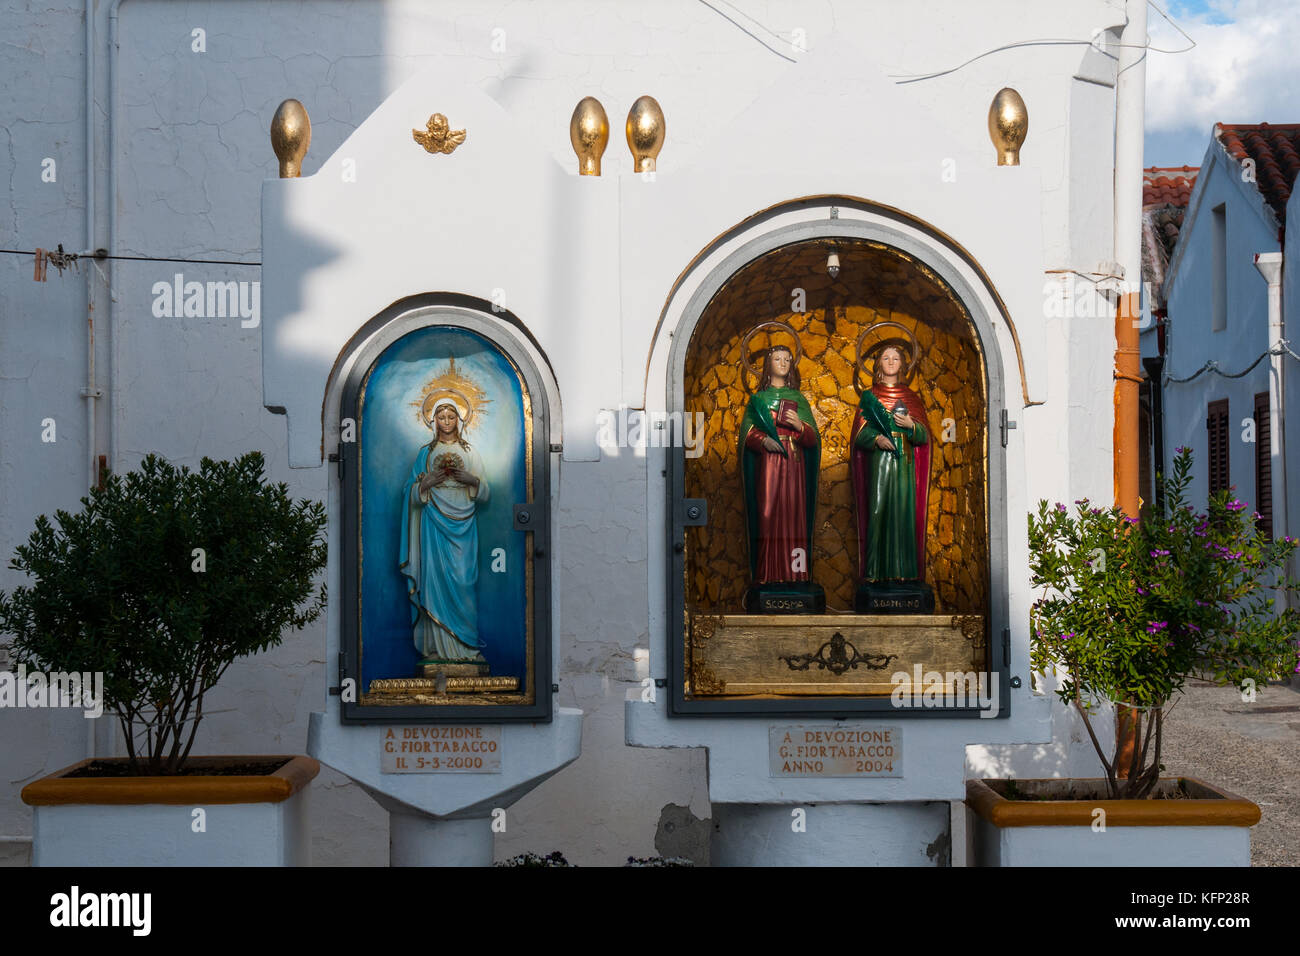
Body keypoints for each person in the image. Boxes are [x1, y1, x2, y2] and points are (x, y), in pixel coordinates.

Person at [399, 399, 490, 662]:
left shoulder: (470, 451)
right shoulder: (425, 453)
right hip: (432, 523)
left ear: (459, 420)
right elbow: (409, 492)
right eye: (442, 417)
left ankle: (466, 649)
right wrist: (425, 484)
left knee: (463, 581)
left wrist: (471, 480)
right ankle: (437, 650)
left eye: (451, 416)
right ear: (433, 420)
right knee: (433, 580)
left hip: (463, 523)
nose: (447, 422)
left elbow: (486, 493)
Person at [738, 345, 821, 586]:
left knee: (794, 515)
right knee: (767, 513)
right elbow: (747, 435)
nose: (783, 363)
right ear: (768, 364)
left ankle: (796, 575)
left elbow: (813, 439)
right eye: (777, 358)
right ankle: (768, 574)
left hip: (794, 463)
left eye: (787, 359)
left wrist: (799, 426)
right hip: (769, 464)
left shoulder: (799, 399)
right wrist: (763, 440)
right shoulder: (759, 400)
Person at [851, 345, 930, 582]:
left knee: (903, 512)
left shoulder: (911, 398)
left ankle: (904, 574)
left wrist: (910, 426)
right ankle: (875, 572)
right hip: (879, 461)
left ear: (903, 364)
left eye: (896, 357)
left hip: (904, 460)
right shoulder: (871, 397)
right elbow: (859, 436)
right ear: (878, 365)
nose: (891, 361)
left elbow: (924, 437)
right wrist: (876, 438)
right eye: (886, 357)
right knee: (878, 510)